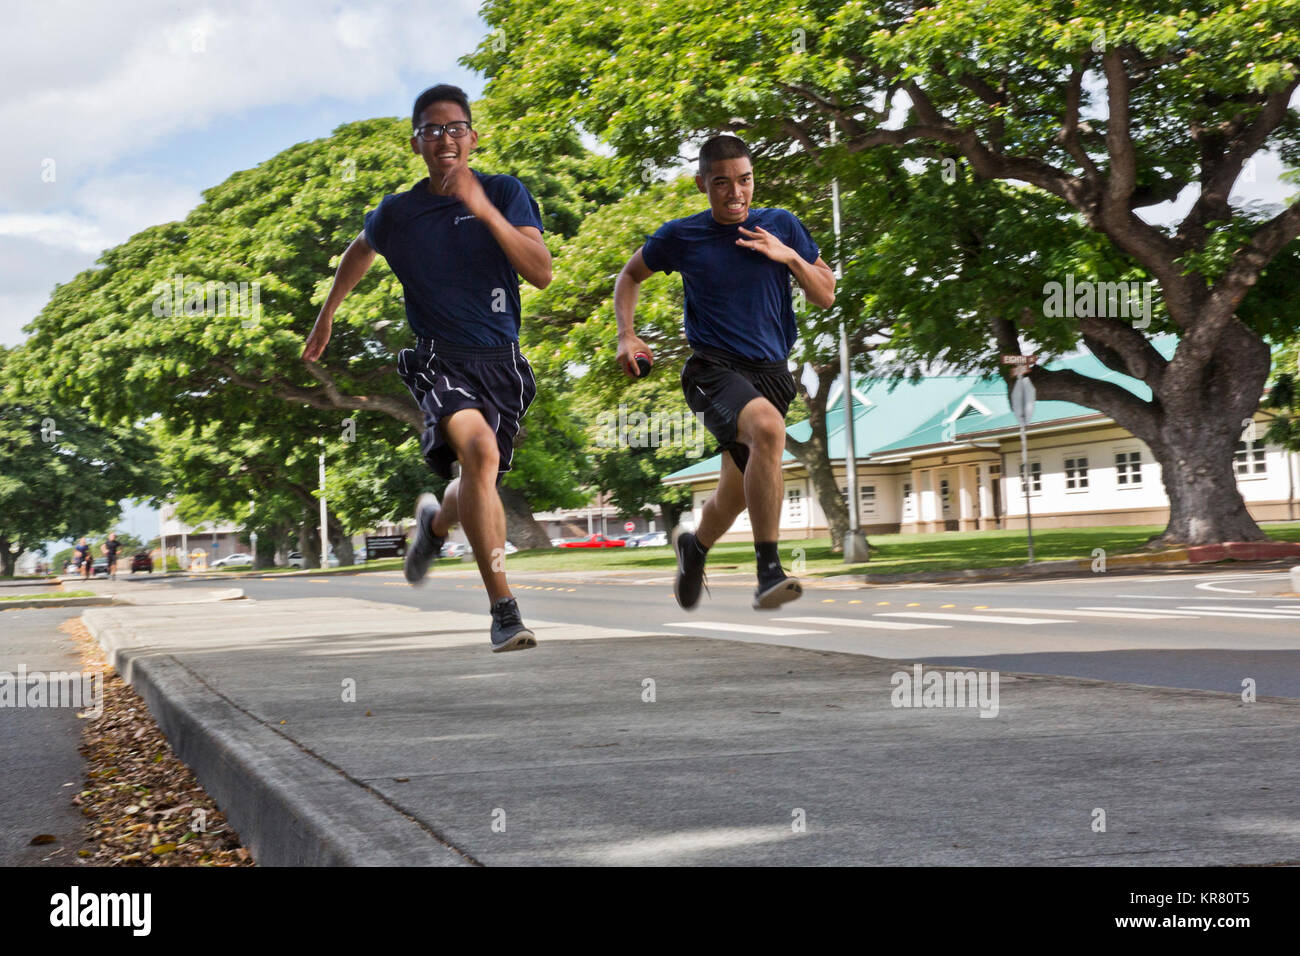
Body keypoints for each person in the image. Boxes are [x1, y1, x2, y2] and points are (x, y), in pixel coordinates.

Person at [302, 84, 551, 653]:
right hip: (439, 358)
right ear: (416, 143)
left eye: (456, 127)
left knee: (478, 479)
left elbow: (541, 272)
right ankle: (504, 611)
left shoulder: (505, 192)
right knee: (480, 454)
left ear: (474, 138)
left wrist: (483, 209)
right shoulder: (399, 212)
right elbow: (359, 250)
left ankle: (435, 524)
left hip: (502, 362)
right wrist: (327, 315)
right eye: (433, 129)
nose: (446, 138)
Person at [613, 134, 836, 611]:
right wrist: (626, 334)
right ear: (701, 184)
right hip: (712, 370)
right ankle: (769, 570)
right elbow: (629, 275)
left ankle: (694, 548)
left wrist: (790, 257)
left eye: (744, 180)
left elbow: (826, 293)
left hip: (773, 374)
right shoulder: (682, 236)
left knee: (733, 495)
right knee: (769, 430)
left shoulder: (781, 226)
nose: (735, 193)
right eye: (721, 183)